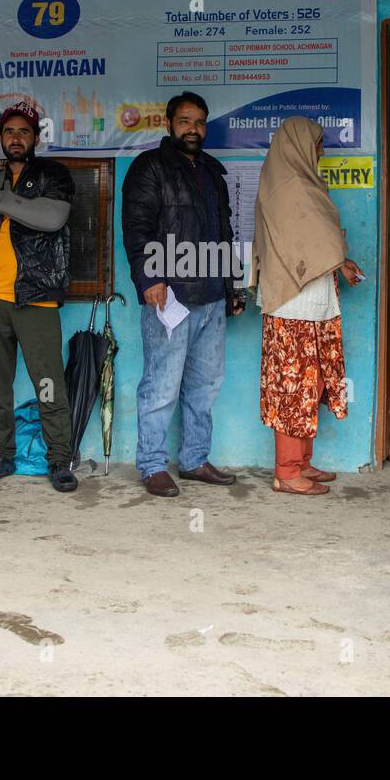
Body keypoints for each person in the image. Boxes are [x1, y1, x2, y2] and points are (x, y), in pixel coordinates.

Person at [121, 91, 244, 497]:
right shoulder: (150, 167)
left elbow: (223, 234)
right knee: (161, 384)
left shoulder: (211, 171)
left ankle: (194, 459)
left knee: (205, 384)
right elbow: (137, 228)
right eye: (186, 121)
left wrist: (231, 288)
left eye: (200, 122)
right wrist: (149, 280)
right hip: (170, 296)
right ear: (169, 124)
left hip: (210, 295)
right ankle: (153, 465)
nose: (194, 129)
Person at [0, 101, 78, 493]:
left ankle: (60, 460)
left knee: (48, 383)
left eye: (23, 132)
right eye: (9, 132)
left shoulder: (53, 176)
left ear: (35, 138)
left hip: (36, 299)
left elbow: (51, 218)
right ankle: (1, 456)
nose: (15, 138)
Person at [249, 117, 361, 495]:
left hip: (310, 302)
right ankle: (286, 471)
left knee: (309, 385)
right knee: (291, 388)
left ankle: (302, 462)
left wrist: (339, 260)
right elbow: (307, 243)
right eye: (317, 143)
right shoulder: (288, 186)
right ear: (299, 144)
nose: (322, 150)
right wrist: (340, 260)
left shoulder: (300, 181)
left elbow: (313, 240)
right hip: (291, 305)